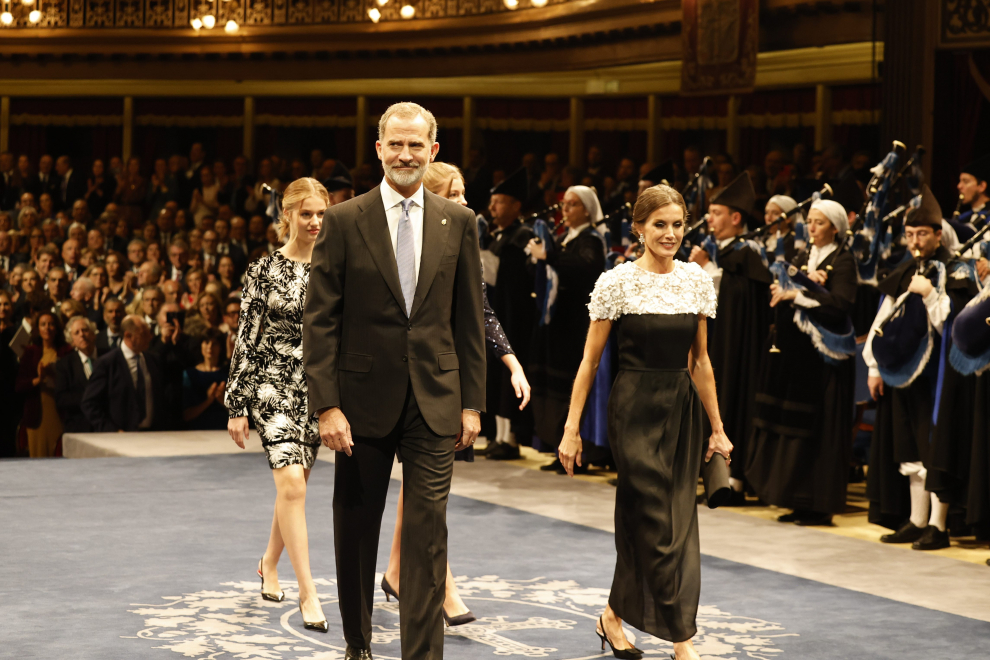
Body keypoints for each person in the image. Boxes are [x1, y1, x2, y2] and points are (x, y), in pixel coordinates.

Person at [304, 102, 485, 660]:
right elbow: (321, 321)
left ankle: (421, 656)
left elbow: (468, 320)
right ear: (379, 149)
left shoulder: (461, 222)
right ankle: (358, 644)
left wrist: (472, 404)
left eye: (416, 146)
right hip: (359, 405)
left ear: (433, 152)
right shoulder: (341, 220)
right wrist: (326, 407)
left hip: (436, 401)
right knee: (357, 528)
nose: (406, 155)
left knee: (428, 537)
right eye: (395, 144)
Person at [558, 184, 727, 660]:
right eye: (659, 225)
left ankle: (615, 616)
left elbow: (701, 364)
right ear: (638, 228)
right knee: (654, 520)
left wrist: (717, 426)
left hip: (681, 413)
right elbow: (589, 364)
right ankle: (682, 638)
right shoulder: (616, 283)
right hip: (633, 412)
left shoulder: (696, 281)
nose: (670, 234)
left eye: (677, 225)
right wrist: (571, 430)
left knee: (672, 522)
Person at [378, 161, 531, 628]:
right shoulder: (405, 238)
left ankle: (397, 571)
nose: (466, 201)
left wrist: (511, 362)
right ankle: (440, 584)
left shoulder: (463, 236)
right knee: (427, 491)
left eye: (466, 193)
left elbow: (481, 311)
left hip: (449, 379)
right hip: (409, 377)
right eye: (457, 192)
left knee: (424, 489)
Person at [225, 178, 331, 635]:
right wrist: (237, 402)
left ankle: (268, 562)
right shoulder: (263, 270)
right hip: (271, 386)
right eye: (305, 213)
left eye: (321, 214)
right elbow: (246, 337)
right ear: (286, 215)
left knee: (295, 488)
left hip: (316, 390)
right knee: (291, 483)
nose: (314, 222)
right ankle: (309, 591)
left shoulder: (333, 268)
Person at [864, 186, 979, 548]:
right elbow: (884, 316)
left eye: (923, 234)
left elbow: (956, 327)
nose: (915, 240)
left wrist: (930, 294)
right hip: (903, 374)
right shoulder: (905, 269)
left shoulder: (956, 270)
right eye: (910, 234)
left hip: (940, 377)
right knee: (910, 448)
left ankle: (939, 525)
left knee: (935, 449)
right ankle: (915, 520)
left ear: (938, 235)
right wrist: (873, 366)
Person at [745, 200, 857, 526]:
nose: (812, 227)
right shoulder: (801, 256)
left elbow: (840, 304)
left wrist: (800, 294)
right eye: (809, 221)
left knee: (819, 432)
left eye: (819, 223)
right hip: (796, 358)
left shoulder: (843, 260)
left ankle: (818, 504)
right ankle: (795, 498)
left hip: (824, 361)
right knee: (795, 431)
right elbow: (783, 285)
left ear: (834, 228)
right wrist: (788, 288)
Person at [688, 172, 772, 504]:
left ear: (736, 218)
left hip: (738, 345)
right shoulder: (718, 251)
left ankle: (734, 482)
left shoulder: (747, 252)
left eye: (717, 212)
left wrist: (708, 269)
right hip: (714, 342)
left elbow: (736, 298)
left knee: (733, 401)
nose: (710, 218)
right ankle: (710, 476)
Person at [526, 185, 607, 470]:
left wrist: (549, 256)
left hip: (576, 325)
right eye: (565, 204)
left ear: (586, 209)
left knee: (572, 387)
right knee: (554, 388)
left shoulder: (591, 240)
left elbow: (586, 268)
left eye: (573, 205)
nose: (566, 209)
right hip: (558, 325)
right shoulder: (567, 238)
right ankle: (561, 449)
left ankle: (577, 453)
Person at [484, 167, 537, 459]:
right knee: (497, 379)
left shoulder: (521, 235)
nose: (493, 207)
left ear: (516, 205)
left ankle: (511, 437)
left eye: (500, 201)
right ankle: (498, 435)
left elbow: (514, 282)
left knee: (510, 379)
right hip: (497, 314)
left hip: (514, 318)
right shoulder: (500, 235)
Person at [81, 315, 165, 432]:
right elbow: (89, 404)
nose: (150, 337)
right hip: (121, 438)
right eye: (144, 334)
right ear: (128, 336)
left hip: (153, 434)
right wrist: (112, 430)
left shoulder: (153, 360)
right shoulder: (107, 363)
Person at [16, 310, 71, 457]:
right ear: (37, 329)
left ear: (57, 328)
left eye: (51, 324)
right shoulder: (30, 351)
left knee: (58, 453)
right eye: (43, 324)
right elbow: (19, 385)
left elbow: (73, 381)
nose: (47, 328)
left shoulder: (66, 351)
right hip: (36, 413)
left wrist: (55, 375)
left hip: (58, 411)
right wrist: (38, 380)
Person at [54, 316, 100, 433]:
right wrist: (90, 397)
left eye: (85, 330)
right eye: (77, 332)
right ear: (72, 341)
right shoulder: (64, 365)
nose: (82, 335)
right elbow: (61, 399)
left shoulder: (109, 357)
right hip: (79, 427)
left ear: (93, 334)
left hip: (108, 427)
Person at [182, 328, 228, 429]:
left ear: (221, 347)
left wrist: (222, 400)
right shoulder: (190, 374)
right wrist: (209, 400)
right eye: (206, 342)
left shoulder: (229, 373)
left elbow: (242, 414)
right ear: (200, 345)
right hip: (197, 433)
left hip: (224, 432)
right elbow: (186, 415)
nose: (210, 347)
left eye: (215, 343)